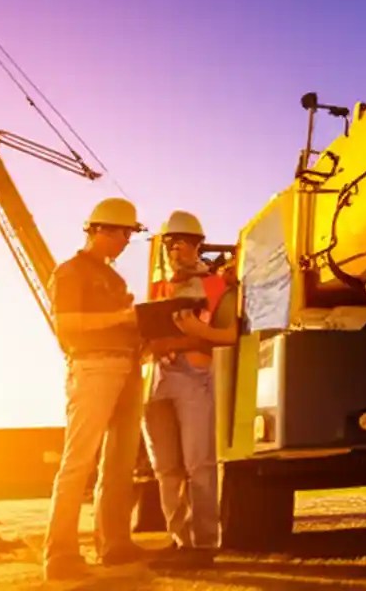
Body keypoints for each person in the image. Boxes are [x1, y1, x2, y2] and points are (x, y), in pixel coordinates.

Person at [43, 197, 152, 581]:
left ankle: (115, 545)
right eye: (125, 233)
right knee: (79, 462)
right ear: (102, 230)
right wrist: (122, 317)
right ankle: (60, 553)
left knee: (119, 465)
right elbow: (67, 326)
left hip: (127, 367)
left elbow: (121, 322)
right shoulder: (70, 272)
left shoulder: (115, 278)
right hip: (93, 368)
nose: (127, 241)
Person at [142, 210, 237, 568]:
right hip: (156, 380)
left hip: (195, 378)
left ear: (198, 244)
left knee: (199, 463)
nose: (174, 248)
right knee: (166, 467)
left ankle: (203, 545)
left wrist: (195, 334)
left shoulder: (215, 286)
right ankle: (179, 540)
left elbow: (229, 335)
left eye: (181, 241)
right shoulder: (157, 287)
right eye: (169, 242)